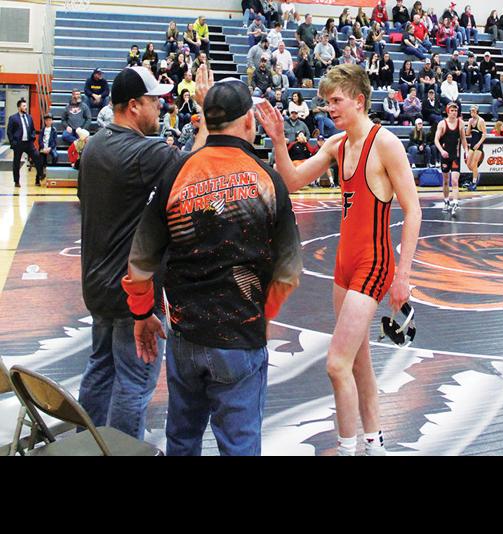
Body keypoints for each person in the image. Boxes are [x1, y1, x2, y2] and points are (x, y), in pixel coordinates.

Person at [121, 76, 302, 456]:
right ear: (249, 121)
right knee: (239, 446)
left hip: (186, 339)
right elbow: (288, 272)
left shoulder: (177, 172)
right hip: (240, 337)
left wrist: (141, 314)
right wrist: (260, 319)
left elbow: (140, 262)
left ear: (208, 120)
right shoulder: (267, 180)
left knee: (182, 442)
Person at [259, 63, 422, 456]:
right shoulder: (336, 145)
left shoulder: (385, 144)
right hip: (344, 265)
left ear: (359, 100)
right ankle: (375, 442)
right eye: (326, 101)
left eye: (336, 101)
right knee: (358, 361)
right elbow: (293, 181)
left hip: (374, 264)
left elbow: (413, 209)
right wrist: (280, 140)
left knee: (336, 364)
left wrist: (403, 276)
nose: (329, 108)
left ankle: (347, 449)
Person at [76, 65, 210, 440]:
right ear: (134, 106)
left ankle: (84, 445)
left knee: (101, 370)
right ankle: (121, 450)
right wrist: (202, 112)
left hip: (96, 285)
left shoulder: (94, 148)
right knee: (134, 382)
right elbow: (193, 167)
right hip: (131, 292)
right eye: (155, 101)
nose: (162, 108)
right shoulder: (143, 152)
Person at [434, 102, 468, 216]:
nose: (454, 113)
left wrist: (466, 151)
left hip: (455, 156)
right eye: (452, 111)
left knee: (454, 180)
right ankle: (446, 200)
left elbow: (463, 139)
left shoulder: (460, 123)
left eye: (456, 111)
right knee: (445, 181)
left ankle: (455, 203)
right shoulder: (442, 124)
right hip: (445, 156)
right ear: (448, 111)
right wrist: (442, 151)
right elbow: (436, 140)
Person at [7, 98, 44, 188]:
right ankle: (16, 181)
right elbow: (9, 132)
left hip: (28, 143)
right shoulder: (13, 118)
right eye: (24, 106)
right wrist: (13, 143)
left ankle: (40, 175)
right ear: (19, 107)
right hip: (18, 143)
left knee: (37, 157)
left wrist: (33, 137)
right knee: (16, 163)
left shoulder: (29, 117)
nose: (26, 107)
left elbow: (32, 129)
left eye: (26, 106)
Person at [463, 104, 485, 191]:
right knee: (468, 164)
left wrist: (479, 144)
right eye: (471, 111)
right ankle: (476, 175)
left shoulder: (481, 121)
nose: (472, 112)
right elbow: (467, 133)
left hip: (478, 145)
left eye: (474, 111)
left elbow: (484, 135)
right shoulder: (470, 120)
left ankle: (474, 182)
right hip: (472, 144)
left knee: (474, 164)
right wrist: (469, 124)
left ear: (477, 111)